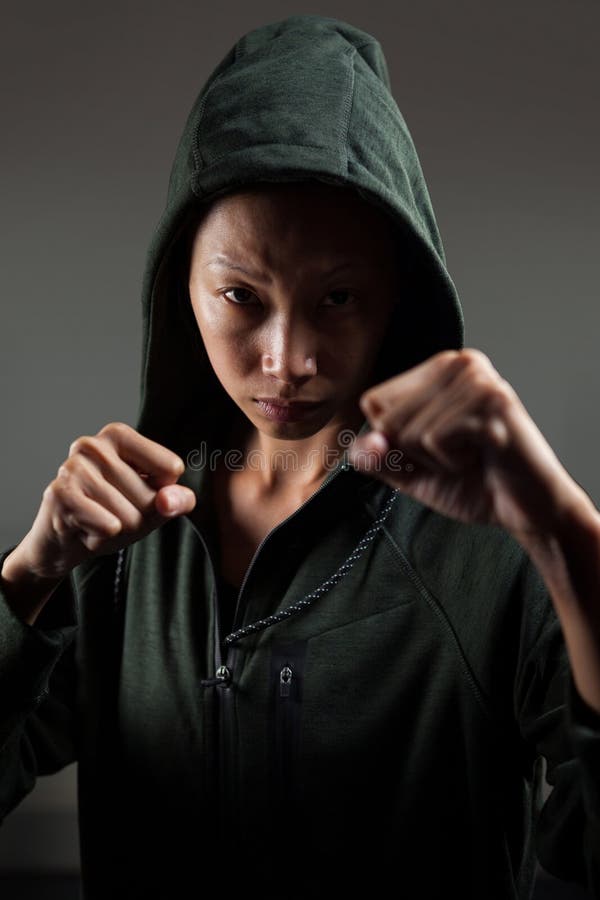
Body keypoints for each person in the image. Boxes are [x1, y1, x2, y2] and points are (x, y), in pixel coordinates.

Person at [0, 13, 599, 900]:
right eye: (241, 295)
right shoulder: (117, 542)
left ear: (398, 294)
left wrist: (563, 531)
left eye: (339, 296)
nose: (290, 360)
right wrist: (27, 576)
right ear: (183, 291)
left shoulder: (490, 550)